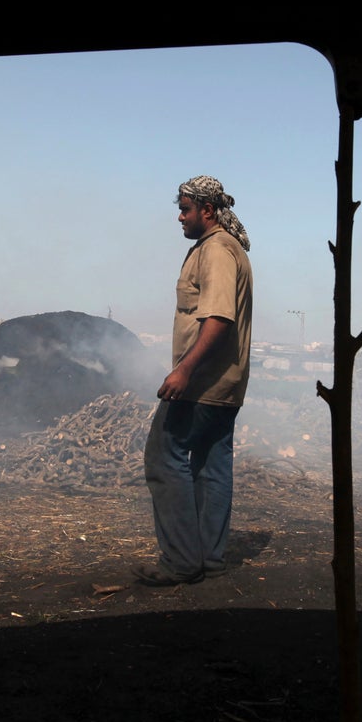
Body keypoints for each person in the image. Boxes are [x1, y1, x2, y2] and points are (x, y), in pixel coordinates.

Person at [134, 175, 253, 586]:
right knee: (211, 464)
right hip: (227, 384)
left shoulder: (217, 251)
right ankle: (209, 559)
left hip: (202, 382)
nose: (179, 217)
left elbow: (218, 318)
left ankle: (182, 561)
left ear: (208, 211)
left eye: (185, 209)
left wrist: (184, 369)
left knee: (164, 457)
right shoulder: (222, 249)